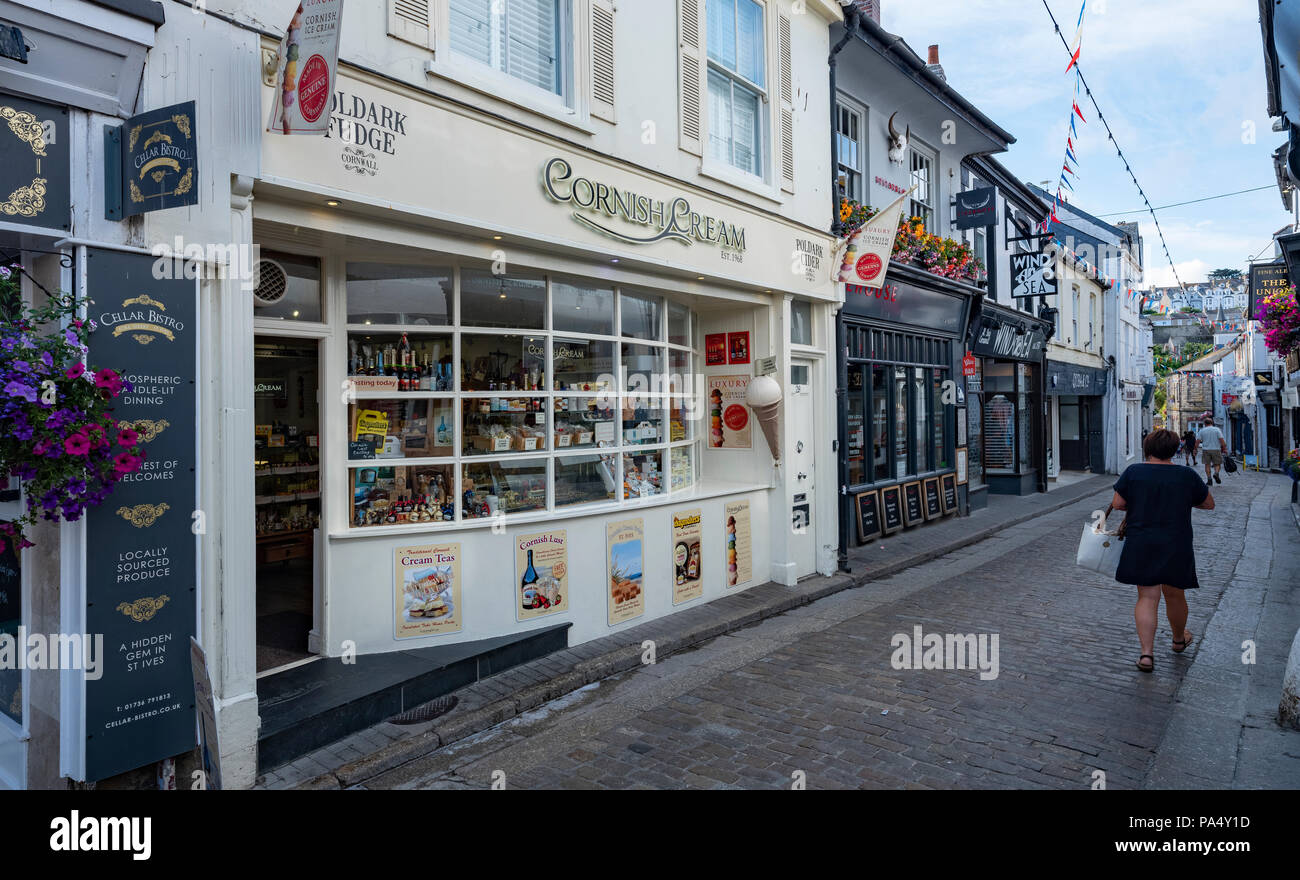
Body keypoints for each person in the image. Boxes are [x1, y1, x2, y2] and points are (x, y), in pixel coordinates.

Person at [1111, 428, 1214, 673]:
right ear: (1174, 449)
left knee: (1147, 597)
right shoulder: (1186, 475)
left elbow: (1118, 504)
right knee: (1176, 595)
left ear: (1147, 448)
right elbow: (1208, 504)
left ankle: (1146, 654)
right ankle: (1179, 640)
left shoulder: (1134, 472)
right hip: (1175, 541)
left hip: (1141, 540)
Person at [1195, 418, 1228, 485]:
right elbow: (1221, 440)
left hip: (1206, 450)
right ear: (1212, 423)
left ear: (1205, 424)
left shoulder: (1202, 431)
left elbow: (1197, 441)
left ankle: (1209, 480)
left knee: (1207, 465)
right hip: (1216, 449)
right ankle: (1216, 473)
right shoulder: (1217, 430)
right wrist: (1224, 448)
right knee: (1217, 463)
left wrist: (1195, 449)